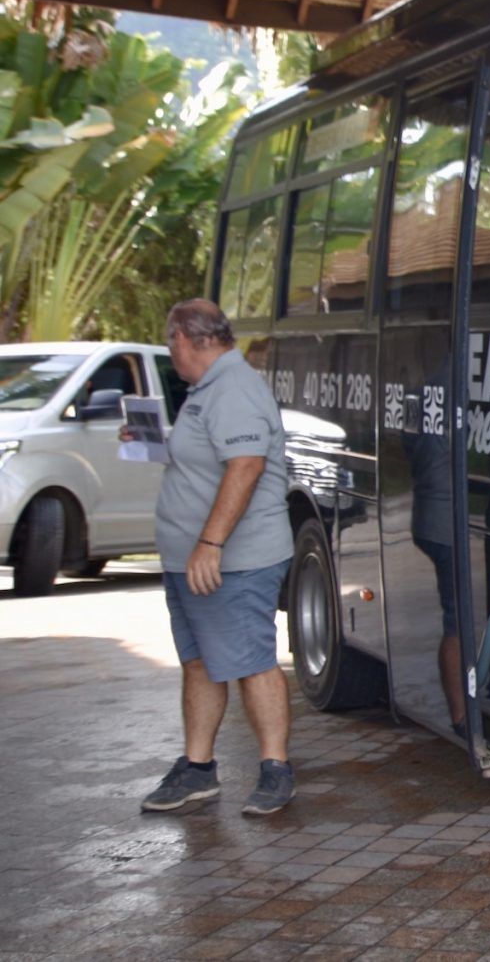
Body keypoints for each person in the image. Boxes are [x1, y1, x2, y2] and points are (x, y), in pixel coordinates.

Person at [132, 299, 296, 815]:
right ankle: (198, 769)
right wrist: (153, 444)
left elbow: (245, 466)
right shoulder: (206, 391)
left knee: (253, 663)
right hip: (193, 560)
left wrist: (210, 544)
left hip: (234, 560)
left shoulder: (234, 387)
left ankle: (276, 770)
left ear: (186, 337)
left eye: (169, 341)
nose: (169, 351)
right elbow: (208, 459)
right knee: (201, 663)